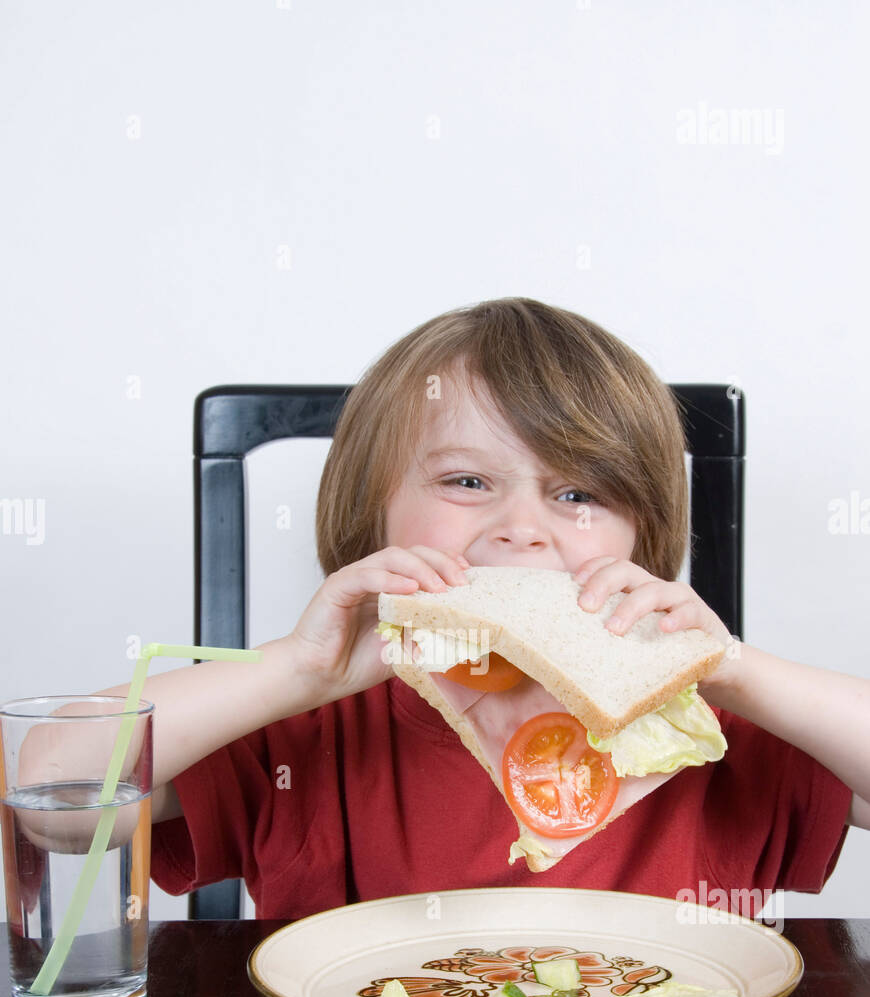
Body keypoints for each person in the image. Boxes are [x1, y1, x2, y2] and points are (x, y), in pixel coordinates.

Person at [96, 297, 868, 921]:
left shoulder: (702, 724)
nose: (522, 529)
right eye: (467, 482)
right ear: (373, 518)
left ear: (644, 538)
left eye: (578, 494)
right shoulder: (303, 724)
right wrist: (297, 670)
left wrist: (732, 668)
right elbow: (56, 795)